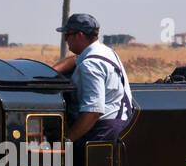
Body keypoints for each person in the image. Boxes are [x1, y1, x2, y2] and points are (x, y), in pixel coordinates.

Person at [50, 13, 136, 141]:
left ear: (80, 35)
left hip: (101, 132)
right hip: (118, 125)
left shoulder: (90, 65)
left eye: (67, 35)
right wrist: (50, 72)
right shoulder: (105, 52)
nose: (65, 40)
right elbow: (76, 59)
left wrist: (67, 140)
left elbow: (93, 112)